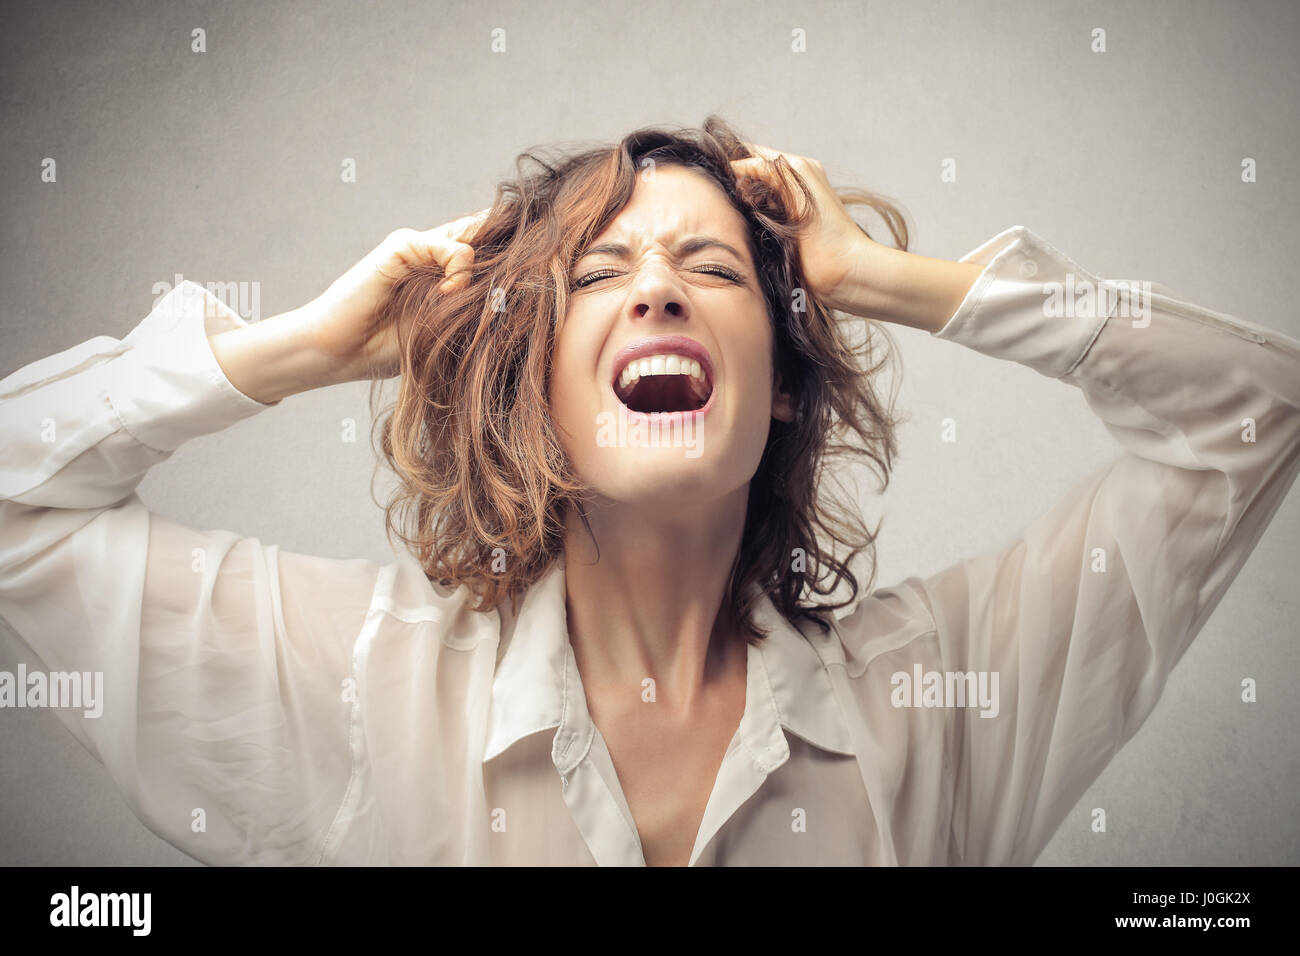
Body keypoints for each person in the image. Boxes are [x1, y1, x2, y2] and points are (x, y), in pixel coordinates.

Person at [2, 118, 1297, 867]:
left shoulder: (945, 699)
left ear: (783, 384)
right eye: (598, 273)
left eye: (713, 272)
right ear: (535, 384)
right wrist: (295, 354)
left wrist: (889, 278)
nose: (656, 291)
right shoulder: (353, 680)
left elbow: (1255, 412)